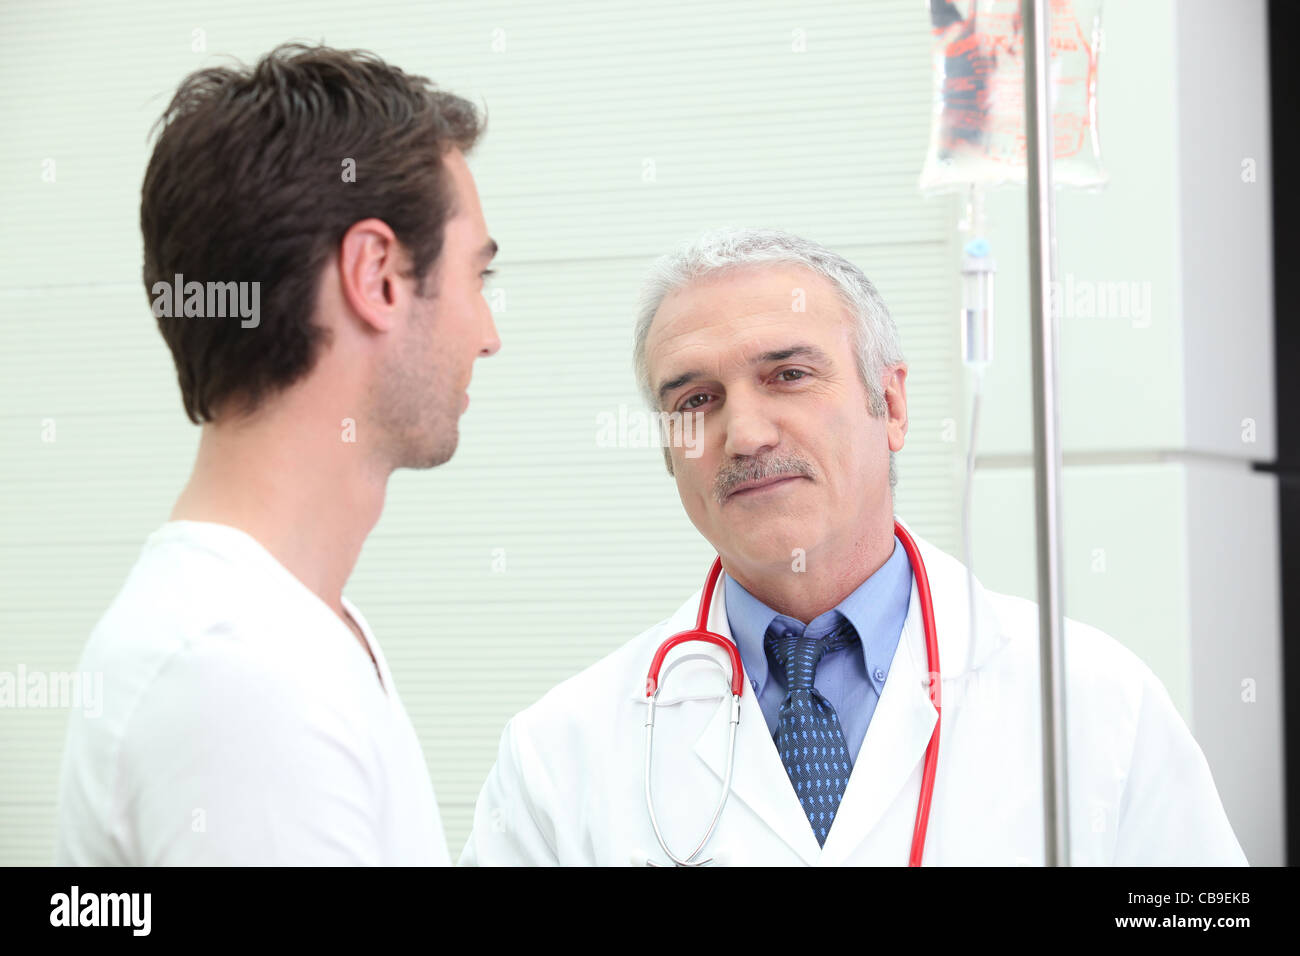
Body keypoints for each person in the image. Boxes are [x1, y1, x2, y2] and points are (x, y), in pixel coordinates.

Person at [459, 228, 1246, 866]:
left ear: (892, 404)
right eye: (696, 400)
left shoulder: (1090, 700)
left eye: (790, 374)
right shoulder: (562, 752)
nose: (746, 433)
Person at [55, 43, 500, 865]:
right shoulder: (243, 674)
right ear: (378, 276)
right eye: (478, 275)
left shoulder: (287, 634)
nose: (490, 335)